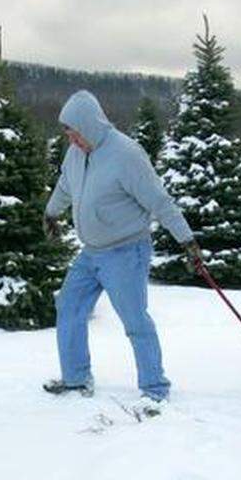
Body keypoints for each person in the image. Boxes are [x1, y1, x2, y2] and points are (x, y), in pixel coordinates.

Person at [43, 89, 202, 415]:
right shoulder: (75, 153)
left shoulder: (127, 155)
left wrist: (188, 241)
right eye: (69, 135)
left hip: (126, 252)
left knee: (134, 320)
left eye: (76, 134)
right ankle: (75, 378)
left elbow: (160, 202)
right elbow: (65, 186)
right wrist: (50, 213)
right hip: (91, 253)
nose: (72, 141)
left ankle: (155, 389)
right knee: (69, 306)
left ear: (90, 125)